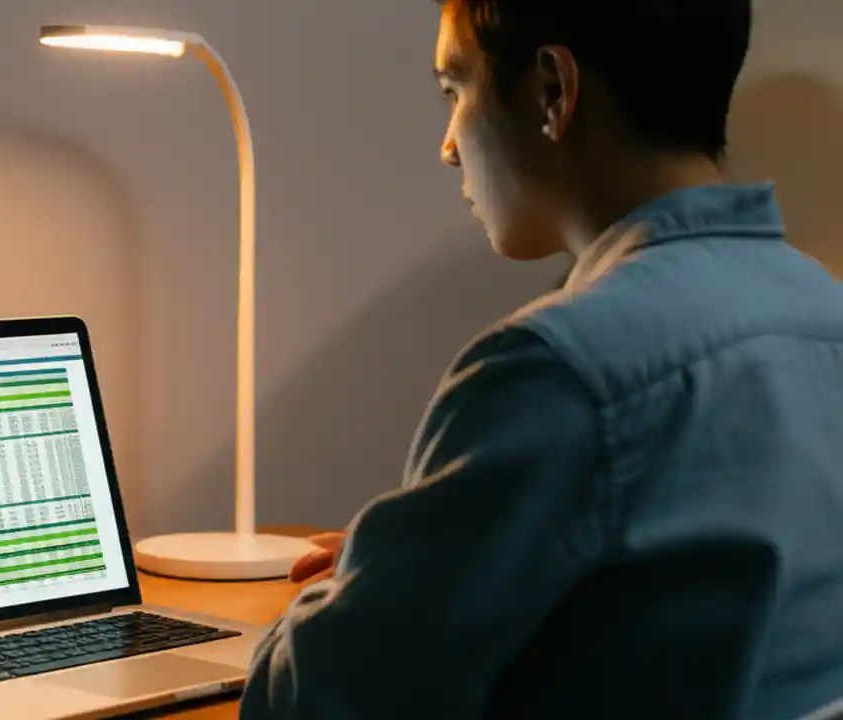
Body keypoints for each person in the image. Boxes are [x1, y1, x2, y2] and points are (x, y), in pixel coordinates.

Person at [239, 1, 843, 718]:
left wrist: (363, 589)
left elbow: (317, 699)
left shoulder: (558, 370)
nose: (448, 146)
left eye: (454, 89)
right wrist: (416, 564)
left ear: (553, 92)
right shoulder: (823, 313)